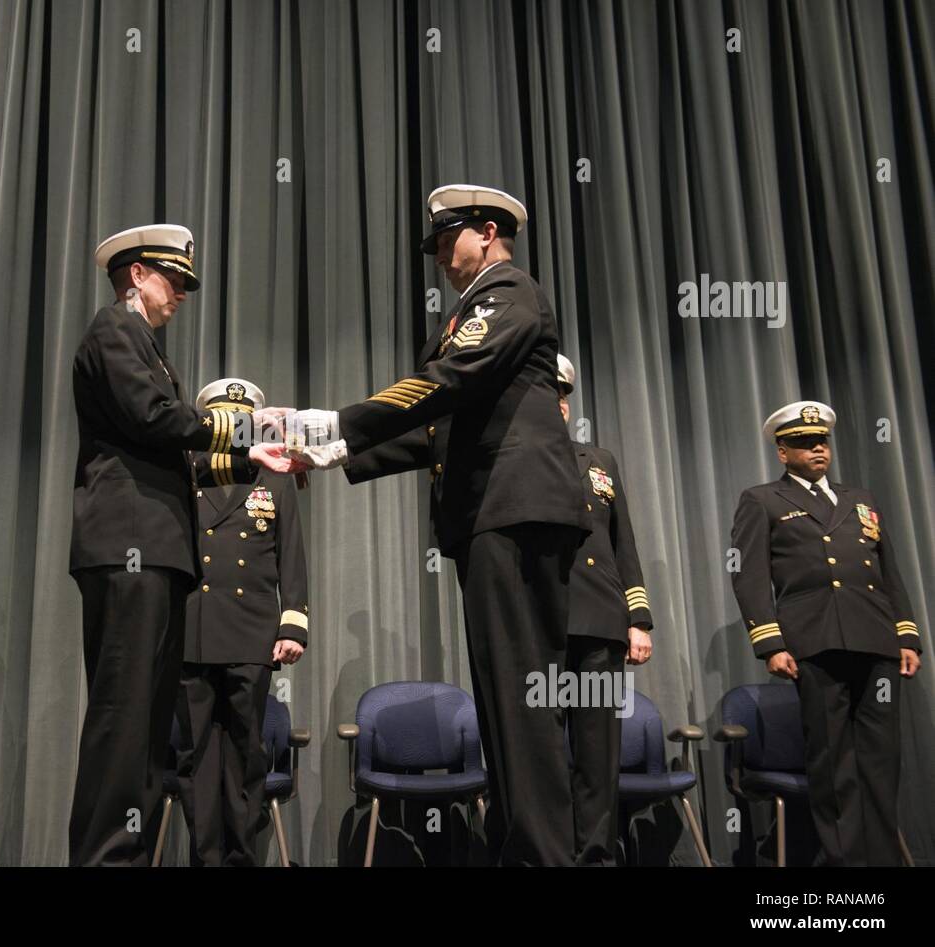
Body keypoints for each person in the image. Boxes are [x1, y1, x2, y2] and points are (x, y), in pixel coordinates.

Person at [285, 185, 589, 865]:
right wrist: (336, 451)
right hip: (490, 516)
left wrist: (335, 422)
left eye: (447, 241)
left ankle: (544, 857)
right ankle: (526, 851)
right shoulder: (467, 312)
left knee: (522, 699)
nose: (439, 259)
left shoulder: (509, 290)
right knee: (506, 699)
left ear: (486, 230)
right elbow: (437, 428)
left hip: (515, 508)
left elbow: (450, 382)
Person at [69, 224, 298, 866]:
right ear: (137, 274)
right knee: (124, 720)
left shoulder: (146, 343)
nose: (183, 296)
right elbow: (152, 415)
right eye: (175, 280)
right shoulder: (114, 330)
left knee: (144, 728)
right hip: (128, 545)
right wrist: (244, 432)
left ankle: (129, 857)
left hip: (158, 554)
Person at [730, 401, 922, 866]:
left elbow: (888, 569)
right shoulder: (763, 500)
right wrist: (770, 642)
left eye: (822, 441)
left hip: (875, 639)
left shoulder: (860, 499)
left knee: (881, 760)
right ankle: (846, 862)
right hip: (816, 642)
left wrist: (907, 635)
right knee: (833, 762)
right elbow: (749, 575)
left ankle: (883, 860)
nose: (817, 448)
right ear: (782, 451)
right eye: (803, 442)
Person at [175, 378, 310, 866]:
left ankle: (240, 859)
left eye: (243, 421)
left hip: (251, 631)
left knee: (245, 753)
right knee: (195, 756)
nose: (235, 429)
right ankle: (205, 858)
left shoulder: (272, 476)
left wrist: (293, 624)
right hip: (193, 629)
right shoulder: (186, 472)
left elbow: (290, 552)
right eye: (226, 421)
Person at [556, 354, 653, 865]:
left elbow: (623, 542)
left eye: (562, 396)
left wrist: (637, 619)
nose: (556, 405)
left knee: (597, 754)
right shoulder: (506, 457)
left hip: (599, 620)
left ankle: (595, 857)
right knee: (543, 754)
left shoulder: (600, 462)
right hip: (540, 624)